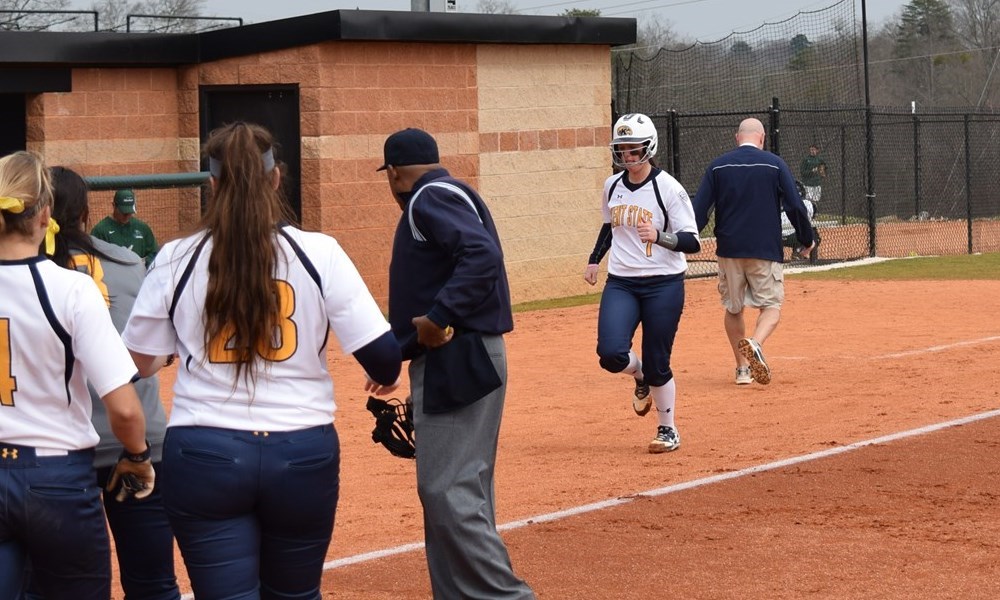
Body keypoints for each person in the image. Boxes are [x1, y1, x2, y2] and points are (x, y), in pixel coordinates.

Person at [121, 122, 401, 600]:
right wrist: (382, 373)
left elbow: (138, 364)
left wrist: (179, 348)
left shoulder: (175, 257)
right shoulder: (319, 251)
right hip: (301, 452)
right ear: (276, 179)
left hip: (204, 450)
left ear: (212, 186)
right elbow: (384, 359)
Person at [374, 127, 535, 599]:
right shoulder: (448, 193)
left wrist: (441, 316)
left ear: (395, 173)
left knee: (448, 491)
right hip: (461, 352)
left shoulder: (426, 199)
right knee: (462, 490)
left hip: (459, 354)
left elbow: (481, 256)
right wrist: (396, 354)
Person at [0, 150, 154, 599]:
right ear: (44, 213)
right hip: (56, 480)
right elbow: (124, 409)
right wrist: (138, 456)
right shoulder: (72, 288)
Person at [37, 166, 179, 600]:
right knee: (152, 584)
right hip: (138, 439)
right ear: (85, 213)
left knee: (58, 586)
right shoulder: (128, 262)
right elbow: (153, 353)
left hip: (55, 452)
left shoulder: (21, 275)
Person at [583, 113, 701, 454]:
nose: (627, 157)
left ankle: (667, 429)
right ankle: (640, 378)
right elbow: (609, 226)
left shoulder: (669, 188)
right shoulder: (613, 186)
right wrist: (594, 260)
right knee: (610, 354)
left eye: (633, 150)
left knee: (657, 359)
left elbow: (693, 241)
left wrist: (661, 236)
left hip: (663, 283)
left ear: (649, 149)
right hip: (622, 281)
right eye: (621, 150)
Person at [693, 118, 814, 386]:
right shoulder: (775, 164)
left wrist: (686, 240)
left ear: (737, 137)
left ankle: (742, 369)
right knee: (771, 306)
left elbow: (699, 210)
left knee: (733, 308)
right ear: (762, 138)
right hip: (764, 249)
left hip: (729, 250)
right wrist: (806, 239)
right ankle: (755, 343)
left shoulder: (718, 166)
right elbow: (795, 206)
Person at [90, 188, 158, 267]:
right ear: (114, 206)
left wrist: (144, 263)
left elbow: (154, 253)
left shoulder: (142, 228)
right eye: (123, 212)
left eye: (129, 212)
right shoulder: (100, 230)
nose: (127, 216)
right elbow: (92, 258)